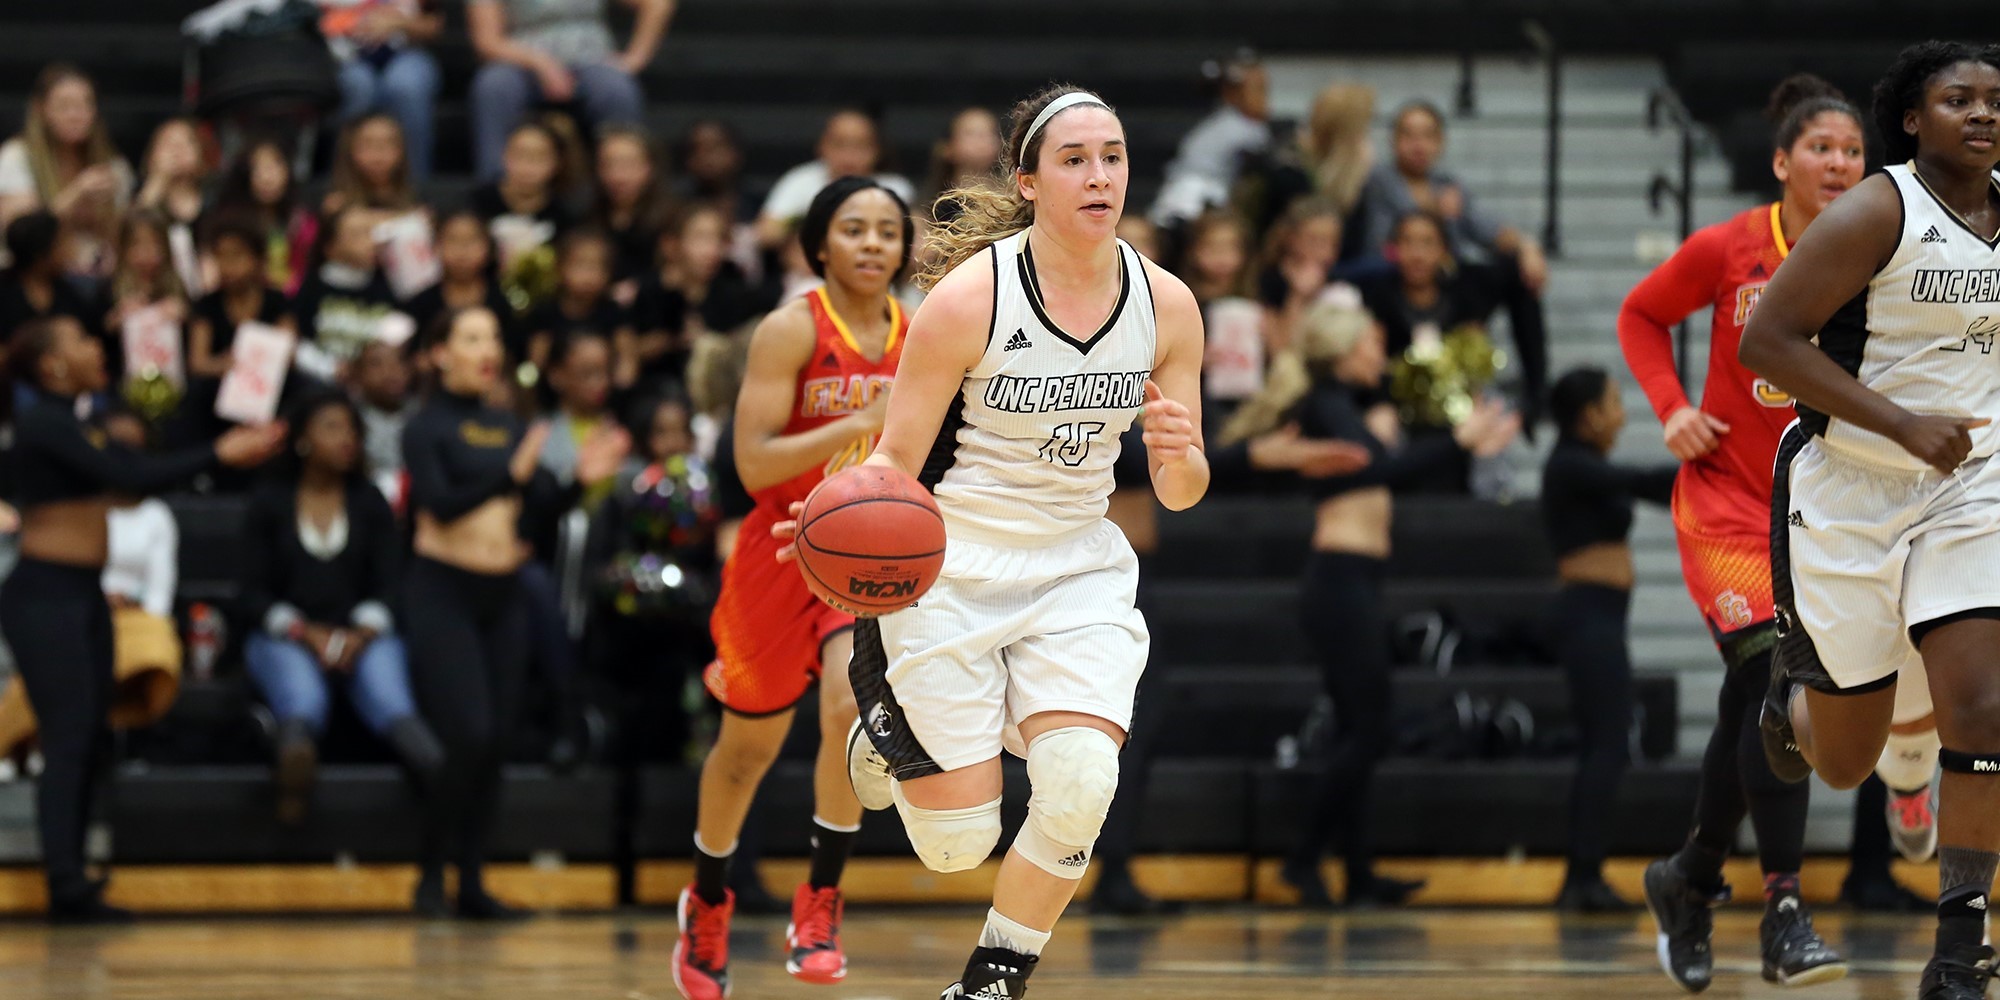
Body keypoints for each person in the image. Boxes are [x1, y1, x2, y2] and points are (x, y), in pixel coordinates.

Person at [816, 84, 1206, 1000]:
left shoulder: (1169, 304)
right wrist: (839, 521)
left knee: (1080, 779)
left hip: (1077, 564)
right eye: (1074, 159)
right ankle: (890, 718)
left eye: (1111, 156)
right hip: (957, 563)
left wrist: (1182, 459)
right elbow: (898, 461)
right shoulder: (969, 297)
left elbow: (1182, 495)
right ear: (1029, 181)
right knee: (954, 846)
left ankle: (995, 980)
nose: (1098, 175)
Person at [1739, 41, 2000, 1000]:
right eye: (1958, 99)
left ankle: (1959, 954)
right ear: (1911, 119)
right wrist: (1899, 423)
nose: (1982, 114)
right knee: (1844, 760)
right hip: (1850, 487)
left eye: (1995, 102)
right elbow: (1767, 338)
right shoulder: (1877, 209)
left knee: (1983, 704)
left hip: (1973, 485)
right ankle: (1788, 696)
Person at [1621, 74, 1872, 993]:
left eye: (1852, 150)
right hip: (1728, 503)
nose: (1839, 163)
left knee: (1753, 699)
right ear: (1781, 162)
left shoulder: (1876, 256)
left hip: (1826, 508)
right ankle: (1784, 910)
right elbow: (1642, 314)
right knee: (1777, 673)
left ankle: (1689, 874)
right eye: (1822, 149)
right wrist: (1672, 407)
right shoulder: (1731, 246)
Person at [671, 176, 912, 1000]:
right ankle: (707, 899)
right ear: (819, 245)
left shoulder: (920, 335)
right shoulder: (789, 330)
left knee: (850, 711)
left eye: (887, 230)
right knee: (747, 751)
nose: (874, 243)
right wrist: (855, 422)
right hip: (777, 550)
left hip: (863, 556)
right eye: (855, 228)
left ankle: (822, 900)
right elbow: (750, 465)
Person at [1217, 298, 1514, 908]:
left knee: (1360, 727)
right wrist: (1459, 442)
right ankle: (1304, 861)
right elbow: (1381, 470)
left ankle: (1355, 872)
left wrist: (1458, 444)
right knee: (1369, 728)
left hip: (1354, 581)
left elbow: (1383, 466)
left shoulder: (1342, 406)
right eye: (1374, 343)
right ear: (1348, 347)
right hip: (1338, 581)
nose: (1381, 353)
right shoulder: (1326, 403)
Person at [2, 315, 281, 921]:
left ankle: (75, 872)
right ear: (50, 365)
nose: (94, 347)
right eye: (79, 341)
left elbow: (125, 472)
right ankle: (65, 883)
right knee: (70, 735)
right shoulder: (45, 422)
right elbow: (130, 475)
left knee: (92, 735)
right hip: (45, 594)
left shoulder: (77, 422)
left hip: (83, 592)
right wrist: (218, 451)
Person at [401, 305, 628, 919]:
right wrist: (510, 474)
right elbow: (440, 506)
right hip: (442, 593)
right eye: (471, 337)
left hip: (501, 598)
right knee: (467, 734)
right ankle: (429, 872)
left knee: (497, 740)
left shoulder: (507, 423)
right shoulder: (424, 427)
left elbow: (534, 513)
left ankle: (471, 882)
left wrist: (577, 482)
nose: (486, 348)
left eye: (493, 338)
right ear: (439, 352)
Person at [239, 391, 441, 824]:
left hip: (361, 633)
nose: (346, 438)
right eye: (332, 427)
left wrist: (360, 634)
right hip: (286, 633)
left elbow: (392, 585)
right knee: (302, 692)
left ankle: (435, 774)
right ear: (303, 440)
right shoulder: (270, 501)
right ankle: (293, 770)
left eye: (352, 429)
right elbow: (251, 592)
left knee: (387, 689)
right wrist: (303, 632)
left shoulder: (369, 502)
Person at [1538, 368, 1675, 912]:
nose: (1621, 413)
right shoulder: (1568, 465)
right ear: (1588, 415)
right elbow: (1642, 481)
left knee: (1606, 745)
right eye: (1614, 403)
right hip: (1585, 617)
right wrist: (1709, 463)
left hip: (1602, 617)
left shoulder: (1584, 464)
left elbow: (1651, 488)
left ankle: (1584, 874)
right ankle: (1582, 877)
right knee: (1606, 745)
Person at [466, 0, 674, 180]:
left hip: (592, 59)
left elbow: (658, 3)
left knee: (617, 89)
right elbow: (487, 41)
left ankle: (626, 185)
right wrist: (541, 63)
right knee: (493, 86)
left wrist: (636, 58)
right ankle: (495, 187)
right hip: (519, 61)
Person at [0, 65, 131, 281]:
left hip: (99, 278)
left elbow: (126, 239)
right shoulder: (16, 157)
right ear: (41, 109)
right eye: (64, 106)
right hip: (32, 280)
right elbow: (21, 238)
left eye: (84, 105)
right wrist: (77, 193)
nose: (75, 115)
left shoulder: (114, 165)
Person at [318, 0, 443, 181]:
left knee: (406, 85)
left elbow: (434, 26)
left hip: (407, 53)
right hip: (344, 58)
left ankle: (415, 186)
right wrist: (348, 24)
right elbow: (308, 22)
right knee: (358, 84)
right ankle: (345, 185)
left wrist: (398, 23)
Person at [754, 111, 915, 251]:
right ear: (822, 146)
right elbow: (766, 234)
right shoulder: (800, 181)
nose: (849, 155)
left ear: (877, 150)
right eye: (840, 144)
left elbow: (916, 244)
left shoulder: (896, 187)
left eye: (860, 146)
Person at [1149, 49, 1271, 229]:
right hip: (1191, 198)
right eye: (1257, 89)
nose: (1265, 99)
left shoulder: (1239, 123)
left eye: (1264, 89)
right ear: (1231, 93)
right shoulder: (1235, 125)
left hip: (1204, 195)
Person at [209, 138, 317, 296]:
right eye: (257, 169)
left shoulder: (304, 222)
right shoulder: (229, 223)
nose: (267, 178)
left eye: (274, 166)